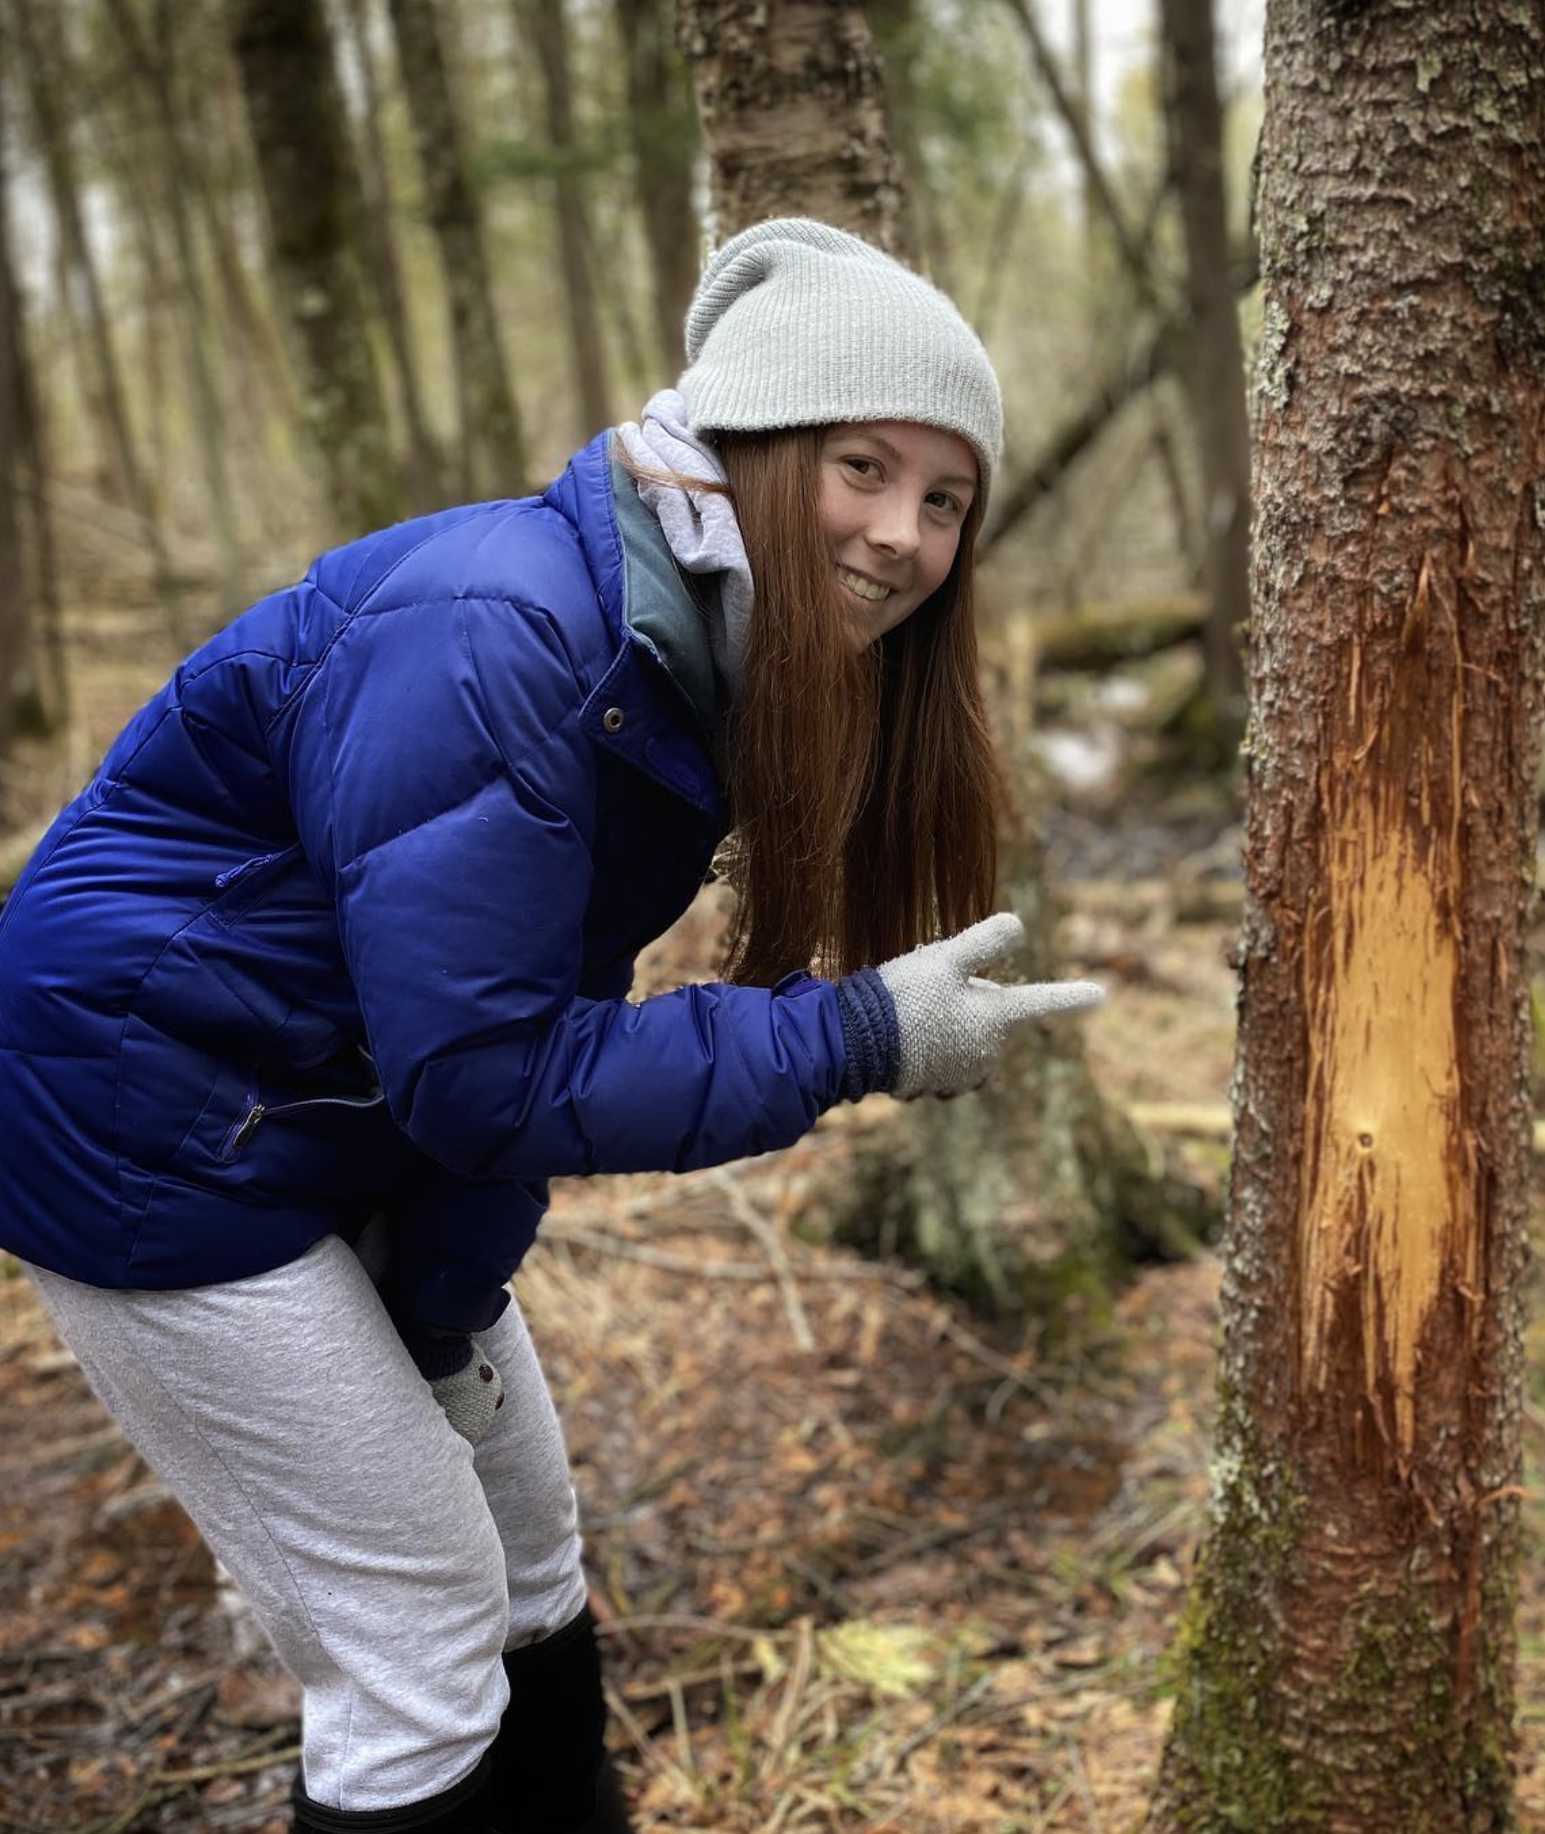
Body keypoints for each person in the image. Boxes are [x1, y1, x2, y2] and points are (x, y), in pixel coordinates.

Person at [0, 218, 1103, 1833]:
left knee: (526, 1547)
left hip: (328, 1093)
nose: (901, 534)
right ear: (748, 439)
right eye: (861, 465)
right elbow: (493, 1077)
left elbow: (522, 1010)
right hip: (137, 1118)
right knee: (413, 1638)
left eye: (944, 499)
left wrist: (439, 1316)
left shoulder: (684, 652)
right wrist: (855, 1033)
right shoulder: (507, 628)